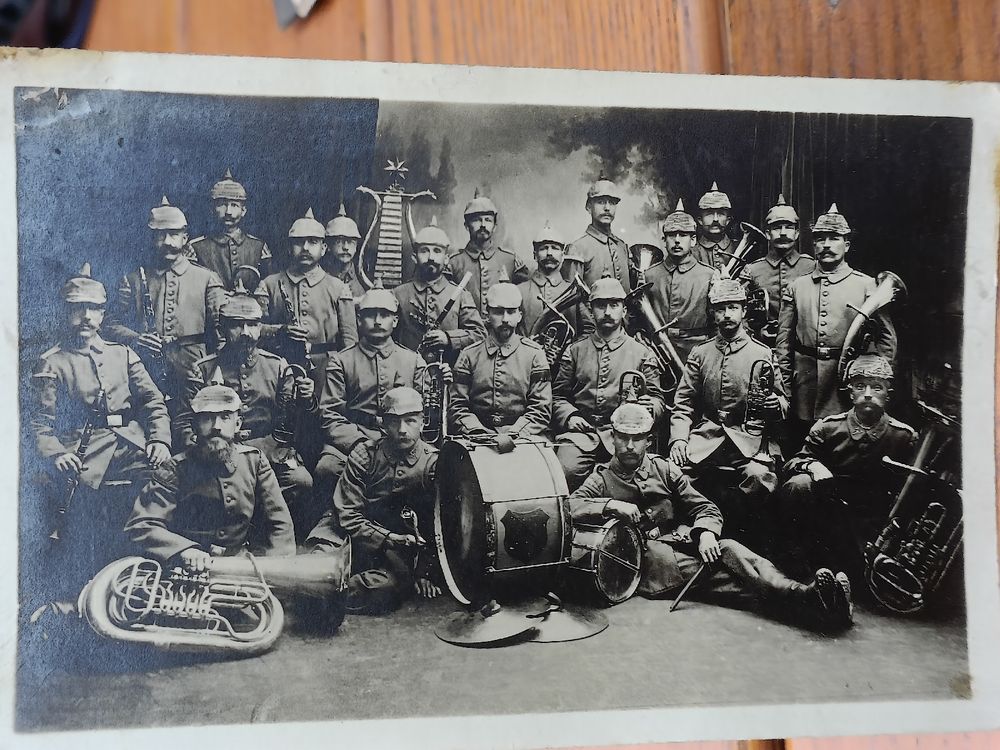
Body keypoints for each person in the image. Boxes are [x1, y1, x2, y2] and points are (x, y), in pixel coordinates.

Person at [569, 403, 853, 631]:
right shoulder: (601, 479)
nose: (630, 446)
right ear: (613, 438)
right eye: (623, 438)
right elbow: (569, 507)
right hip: (654, 566)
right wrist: (610, 505)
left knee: (730, 550)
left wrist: (705, 532)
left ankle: (815, 602)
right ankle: (810, 600)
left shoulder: (664, 470)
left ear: (648, 440)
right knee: (739, 582)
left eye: (638, 438)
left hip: (684, 546)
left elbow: (704, 507)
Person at [27, 265, 172, 597]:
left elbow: (154, 401)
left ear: (104, 314)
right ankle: (84, 591)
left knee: (164, 481)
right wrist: (56, 453)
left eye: (93, 309)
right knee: (83, 518)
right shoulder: (51, 363)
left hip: (130, 444)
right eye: (77, 309)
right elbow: (39, 424)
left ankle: (151, 579)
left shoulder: (123, 354)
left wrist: (160, 440)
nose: (86, 317)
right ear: (65, 312)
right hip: (82, 452)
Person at [176, 285, 318, 541]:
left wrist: (306, 400)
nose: (245, 333)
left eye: (252, 325)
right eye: (236, 325)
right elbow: (185, 421)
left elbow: (290, 422)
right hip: (215, 450)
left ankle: (264, 535)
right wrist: (199, 449)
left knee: (300, 480)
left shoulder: (277, 367)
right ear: (222, 329)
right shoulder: (203, 369)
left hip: (267, 451)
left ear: (260, 327)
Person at [773, 355, 917, 584]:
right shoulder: (828, 428)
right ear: (850, 393)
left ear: (888, 394)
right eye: (860, 386)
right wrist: (813, 465)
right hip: (832, 516)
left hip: (875, 523)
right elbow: (794, 463)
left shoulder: (903, 436)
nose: (867, 393)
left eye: (876, 387)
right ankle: (796, 563)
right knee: (798, 485)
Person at [126, 375, 295, 567]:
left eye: (225, 417)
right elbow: (142, 524)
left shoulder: (254, 462)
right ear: (194, 425)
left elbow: (279, 524)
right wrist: (184, 550)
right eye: (207, 418)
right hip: (189, 568)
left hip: (241, 566)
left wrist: (274, 567)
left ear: (237, 424)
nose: (216, 427)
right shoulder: (175, 469)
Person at [668, 278, 786, 542]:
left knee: (759, 478)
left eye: (733, 307)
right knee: (673, 472)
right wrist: (679, 439)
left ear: (743, 311)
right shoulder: (701, 353)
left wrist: (776, 404)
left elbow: (783, 400)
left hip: (750, 440)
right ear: (713, 313)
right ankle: (689, 533)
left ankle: (741, 537)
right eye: (720, 309)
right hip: (707, 439)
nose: (727, 315)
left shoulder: (762, 353)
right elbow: (683, 403)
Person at [306, 387, 442, 615]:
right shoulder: (364, 455)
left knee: (388, 589)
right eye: (394, 422)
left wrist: (424, 572)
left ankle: (319, 598)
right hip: (342, 531)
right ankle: (315, 589)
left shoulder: (432, 464)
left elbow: (437, 525)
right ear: (383, 424)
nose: (402, 430)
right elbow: (348, 515)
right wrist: (388, 538)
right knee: (317, 567)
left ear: (422, 421)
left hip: (392, 552)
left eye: (410, 420)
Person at [775, 203, 897, 443]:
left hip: (846, 385)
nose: (827, 245)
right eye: (820, 239)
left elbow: (886, 339)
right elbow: (783, 343)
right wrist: (785, 388)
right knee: (804, 443)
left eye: (834, 238)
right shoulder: (797, 286)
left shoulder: (867, 285)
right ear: (814, 245)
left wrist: (874, 382)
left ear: (847, 245)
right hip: (805, 385)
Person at [104, 196, 226, 407]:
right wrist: (136, 339)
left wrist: (213, 369)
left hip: (195, 370)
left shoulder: (207, 279)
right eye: (160, 235)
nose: (168, 242)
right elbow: (109, 325)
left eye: (174, 234)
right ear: (151, 238)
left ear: (185, 238)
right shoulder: (133, 280)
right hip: (145, 369)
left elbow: (222, 333)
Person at [314, 284, 427, 501]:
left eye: (384, 315)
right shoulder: (341, 361)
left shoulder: (413, 361)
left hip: (400, 438)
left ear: (395, 320)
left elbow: (424, 413)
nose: (377, 321)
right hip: (355, 437)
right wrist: (358, 444)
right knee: (327, 468)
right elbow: (329, 415)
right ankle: (333, 517)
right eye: (370, 315)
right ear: (359, 320)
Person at [552, 277, 665, 490]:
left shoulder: (642, 353)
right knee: (564, 471)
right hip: (582, 435)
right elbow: (558, 396)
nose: (607, 312)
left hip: (625, 437)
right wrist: (570, 416)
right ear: (590, 310)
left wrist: (649, 407)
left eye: (614, 305)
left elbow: (658, 399)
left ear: (624, 310)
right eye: (600, 305)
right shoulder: (575, 351)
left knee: (631, 481)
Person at [254, 207, 359, 388]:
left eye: (313, 242)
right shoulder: (269, 285)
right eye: (298, 242)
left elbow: (350, 343)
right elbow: (254, 330)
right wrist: (280, 331)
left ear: (324, 248)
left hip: (327, 373)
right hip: (280, 369)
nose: (305, 248)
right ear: (289, 248)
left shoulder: (338, 288)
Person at [450, 282, 552, 440]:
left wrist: (514, 433)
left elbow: (541, 409)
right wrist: (478, 432)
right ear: (487, 315)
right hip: (477, 438)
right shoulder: (469, 355)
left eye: (511, 312)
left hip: (524, 437)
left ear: (519, 315)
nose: (505, 319)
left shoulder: (534, 354)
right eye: (498, 312)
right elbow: (457, 406)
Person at [392, 217, 486, 365]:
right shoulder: (398, 294)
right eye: (424, 251)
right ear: (414, 257)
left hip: (450, 374)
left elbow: (480, 334)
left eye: (437, 251)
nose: (431, 257)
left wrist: (449, 338)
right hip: (406, 372)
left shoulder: (461, 296)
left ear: (446, 258)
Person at [642, 198, 716, 363]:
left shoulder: (708, 275)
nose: (677, 240)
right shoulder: (650, 275)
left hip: (698, 352)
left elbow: (716, 325)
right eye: (671, 235)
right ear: (664, 240)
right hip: (658, 352)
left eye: (683, 235)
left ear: (693, 240)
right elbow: (638, 320)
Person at [739, 194, 816, 345]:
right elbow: (738, 311)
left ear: (797, 233)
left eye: (789, 227)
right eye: (777, 228)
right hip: (763, 346)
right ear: (768, 234)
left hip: (802, 348)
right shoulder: (752, 270)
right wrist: (755, 334)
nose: (783, 233)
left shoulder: (811, 266)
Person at [562, 175, 631, 335]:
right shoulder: (578, 248)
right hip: (591, 333)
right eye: (600, 202)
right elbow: (572, 300)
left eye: (612, 203)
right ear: (588, 207)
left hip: (623, 333)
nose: (607, 208)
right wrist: (588, 330)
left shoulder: (622, 247)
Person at [188, 168, 272, 290]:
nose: (228, 212)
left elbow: (268, 288)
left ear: (243, 211)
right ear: (212, 210)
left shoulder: (258, 247)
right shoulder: (196, 247)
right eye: (222, 205)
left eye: (234, 205)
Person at [446, 189, 529, 312]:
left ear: (494, 227)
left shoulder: (511, 260)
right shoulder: (453, 263)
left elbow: (522, 301)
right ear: (466, 226)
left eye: (488, 220)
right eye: (477, 220)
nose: (483, 225)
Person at [517, 221, 583, 341]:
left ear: (563, 255)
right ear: (535, 255)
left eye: (555, 248)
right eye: (543, 249)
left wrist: (574, 348)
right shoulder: (520, 291)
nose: (549, 253)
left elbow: (589, 330)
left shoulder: (573, 292)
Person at [323, 202, 366, 298]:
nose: (345, 247)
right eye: (339, 241)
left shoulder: (364, 279)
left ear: (356, 246)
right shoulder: (320, 276)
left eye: (351, 242)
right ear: (328, 245)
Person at [694, 181, 738, 272]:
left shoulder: (737, 248)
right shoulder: (691, 251)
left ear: (728, 220)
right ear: (700, 220)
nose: (715, 219)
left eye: (721, 214)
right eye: (709, 214)